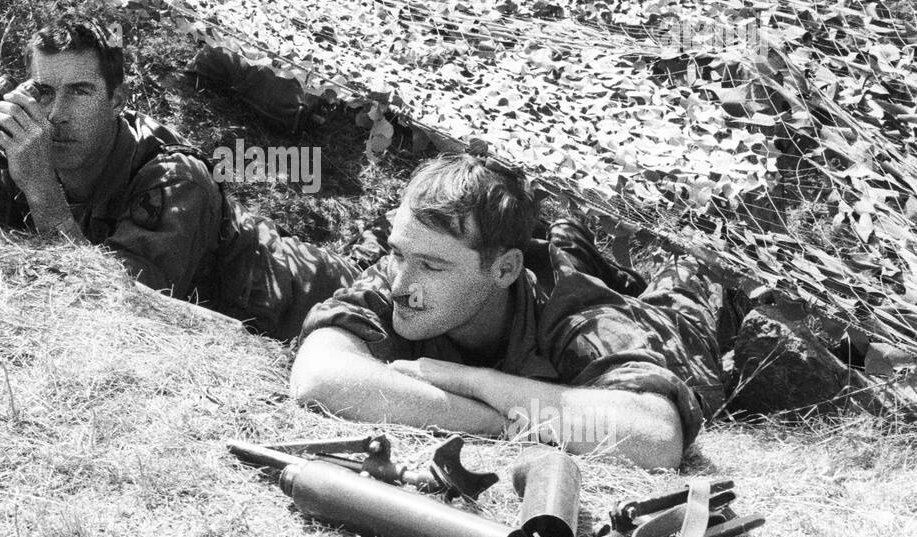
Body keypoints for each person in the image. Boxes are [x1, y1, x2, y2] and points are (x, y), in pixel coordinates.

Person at [0, 20, 359, 341]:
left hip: (320, 299)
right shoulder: (22, 147)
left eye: (80, 91)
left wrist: (40, 189)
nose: (56, 115)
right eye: (45, 91)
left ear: (117, 99)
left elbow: (116, 313)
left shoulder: (175, 178)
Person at [291, 152, 728, 469]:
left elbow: (656, 438)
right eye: (400, 254)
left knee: (696, 273)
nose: (402, 286)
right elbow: (320, 377)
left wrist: (470, 380)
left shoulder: (577, 312)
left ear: (503, 269)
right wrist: (497, 418)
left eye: (431, 265)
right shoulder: (399, 277)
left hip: (668, 327)